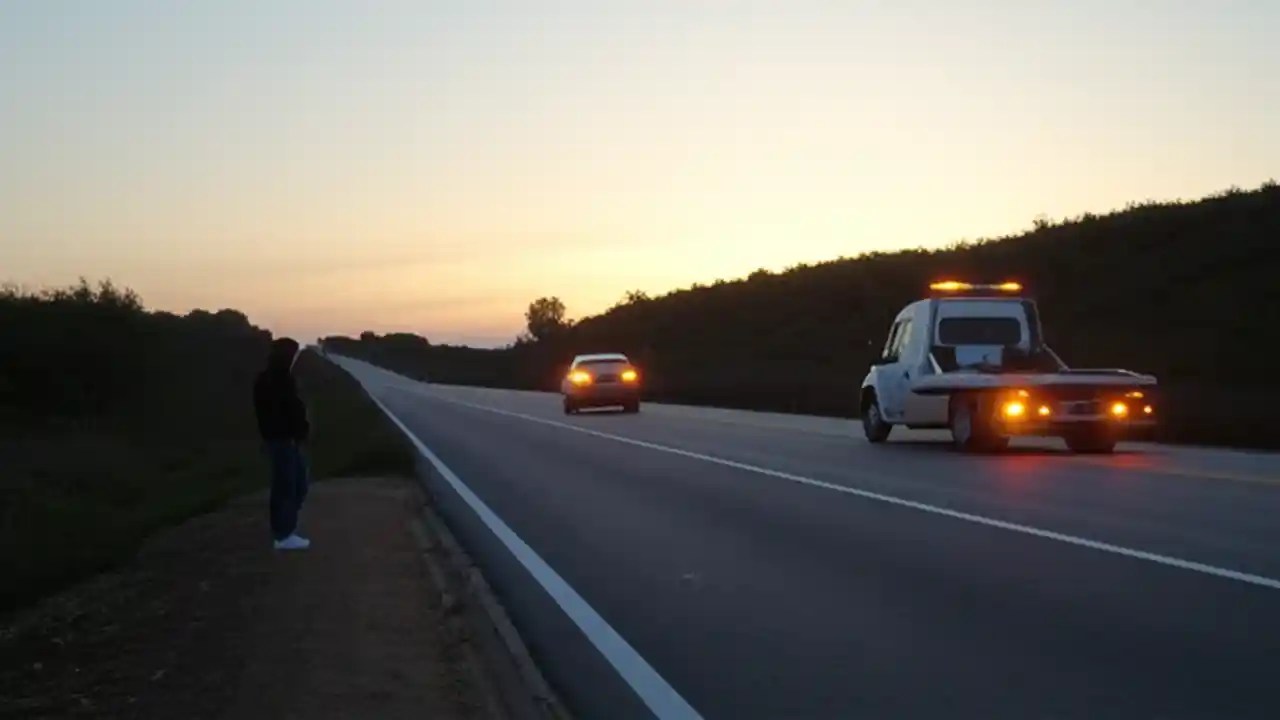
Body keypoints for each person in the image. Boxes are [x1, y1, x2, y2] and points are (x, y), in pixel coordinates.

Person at [253, 337, 312, 550]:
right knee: (286, 487)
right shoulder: (274, 381)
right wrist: (293, 429)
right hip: (281, 440)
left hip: (288, 440)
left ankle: (286, 528)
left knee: (297, 484)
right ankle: (283, 534)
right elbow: (282, 411)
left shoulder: (282, 378)